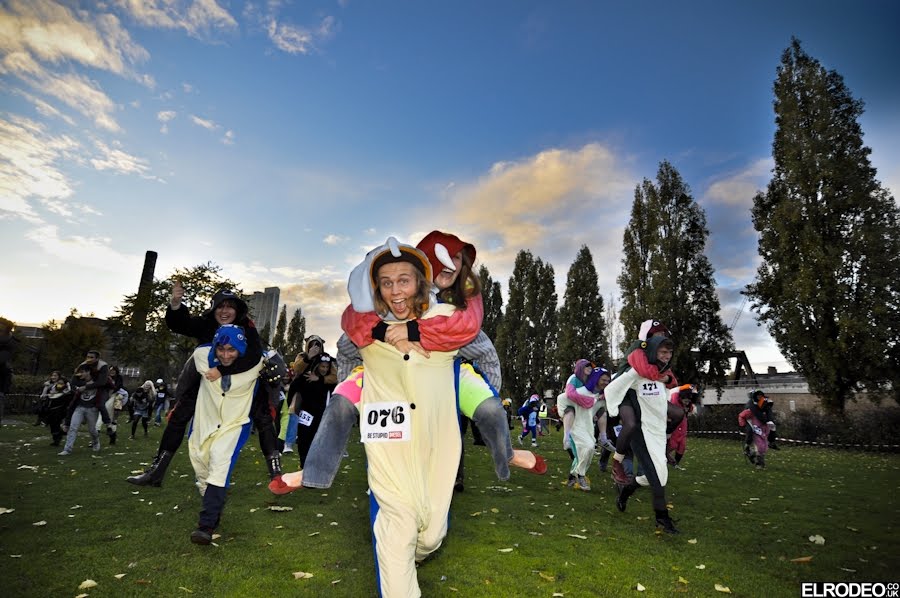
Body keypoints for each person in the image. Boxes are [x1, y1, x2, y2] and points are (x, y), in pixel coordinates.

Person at [288, 231, 544, 495]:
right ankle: (319, 472)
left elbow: (482, 348)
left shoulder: (455, 313)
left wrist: (477, 392)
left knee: (461, 435)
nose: (451, 265)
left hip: (437, 392)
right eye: (443, 258)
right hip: (388, 390)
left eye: (457, 258)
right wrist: (360, 376)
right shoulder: (384, 306)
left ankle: (495, 459)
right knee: (349, 415)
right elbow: (349, 340)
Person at [282, 237, 469, 597]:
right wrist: (366, 363)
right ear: (376, 289)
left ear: (420, 283)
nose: (395, 290)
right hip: (387, 438)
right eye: (386, 282)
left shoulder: (444, 318)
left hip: (434, 439)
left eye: (403, 280)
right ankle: (397, 566)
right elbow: (348, 328)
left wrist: (479, 400)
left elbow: (473, 336)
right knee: (395, 525)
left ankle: (411, 552)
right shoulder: (367, 323)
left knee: (431, 535)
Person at [127, 284, 284, 488]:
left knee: (263, 419)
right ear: (213, 308)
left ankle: (276, 473)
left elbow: (254, 356)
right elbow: (180, 324)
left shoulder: (247, 326)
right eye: (220, 306)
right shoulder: (206, 323)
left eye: (230, 307)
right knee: (178, 417)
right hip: (207, 383)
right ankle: (157, 471)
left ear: (237, 310)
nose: (225, 311)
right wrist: (175, 304)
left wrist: (223, 370)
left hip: (242, 383)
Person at [187, 324, 267, 544]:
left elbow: (258, 353)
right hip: (204, 425)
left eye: (232, 349)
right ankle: (214, 506)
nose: (225, 354)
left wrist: (249, 327)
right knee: (202, 470)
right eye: (221, 349)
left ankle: (206, 525)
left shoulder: (255, 364)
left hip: (234, 424)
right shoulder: (202, 356)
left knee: (219, 465)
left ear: (242, 349)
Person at [604, 335, 682, 534]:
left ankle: (625, 491)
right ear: (652, 351)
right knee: (658, 481)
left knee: (653, 476)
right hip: (642, 433)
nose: (666, 356)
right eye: (662, 352)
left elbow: (664, 396)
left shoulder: (661, 374)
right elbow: (612, 388)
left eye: (669, 353)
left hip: (656, 431)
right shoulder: (636, 373)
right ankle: (662, 519)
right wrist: (615, 411)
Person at [609, 320, 679, 485]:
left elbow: (672, 380)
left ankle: (663, 447)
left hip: (645, 394)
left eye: (663, 334)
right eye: (657, 334)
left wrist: (667, 377)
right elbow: (645, 370)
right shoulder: (639, 347)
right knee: (631, 424)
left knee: (677, 413)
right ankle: (617, 461)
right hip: (625, 391)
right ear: (647, 336)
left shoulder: (657, 354)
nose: (661, 337)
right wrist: (664, 376)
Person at [557, 365, 611, 490]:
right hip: (575, 427)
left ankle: (573, 477)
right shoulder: (581, 391)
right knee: (586, 449)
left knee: (589, 451)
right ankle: (580, 476)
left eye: (607, 381)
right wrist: (565, 414)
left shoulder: (602, 396)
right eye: (603, 380)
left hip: (588, 428)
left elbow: (606, 409)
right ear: (596, 378)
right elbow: (562, 398)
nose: (605, 383)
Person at [290, 353, 337, 468]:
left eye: (327, 367)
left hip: (322, 416)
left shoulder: (329, 382)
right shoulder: (306, 377)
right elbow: (294, 386)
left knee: (319, 441)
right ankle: (304, 466)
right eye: (322, 366)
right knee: (304, 440)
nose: (324, 369)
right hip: (306, 415)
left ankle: (316, 467)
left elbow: (335, 382)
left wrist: (320, 379)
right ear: (317, 366)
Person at [59, 364, 103, 455]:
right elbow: (72, 384)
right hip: (80, 407)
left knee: (92, 430)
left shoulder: (97, 382)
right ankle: (67, 449)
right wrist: (75, 374)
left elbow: (106, 383)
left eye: (82, 372)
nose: (80, 374)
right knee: (73, 427)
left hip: (92, 409)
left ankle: (95, 441)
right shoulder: (79, 382)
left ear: (88, 372)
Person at [666, 384, 698, 467]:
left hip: (683, 423)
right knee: (673, 444)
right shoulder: (673, 398)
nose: (687, 403)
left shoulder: (688, 401)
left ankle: (675, 463)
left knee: (682, 446)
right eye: (686, 401)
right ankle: (664, 457)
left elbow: (690, 410)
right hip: (675, 423)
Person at [40, 371, 71, 446]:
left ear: (59, 376)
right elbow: (44, 394)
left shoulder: (63, 383)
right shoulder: (49, 384)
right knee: (52, 424)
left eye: (55, 375)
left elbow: (65, 392)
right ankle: (57, 438)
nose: (53, 377)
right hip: (50, 406)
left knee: (56, 423)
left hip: (60, 407)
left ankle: (58, 437)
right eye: (52, 375)